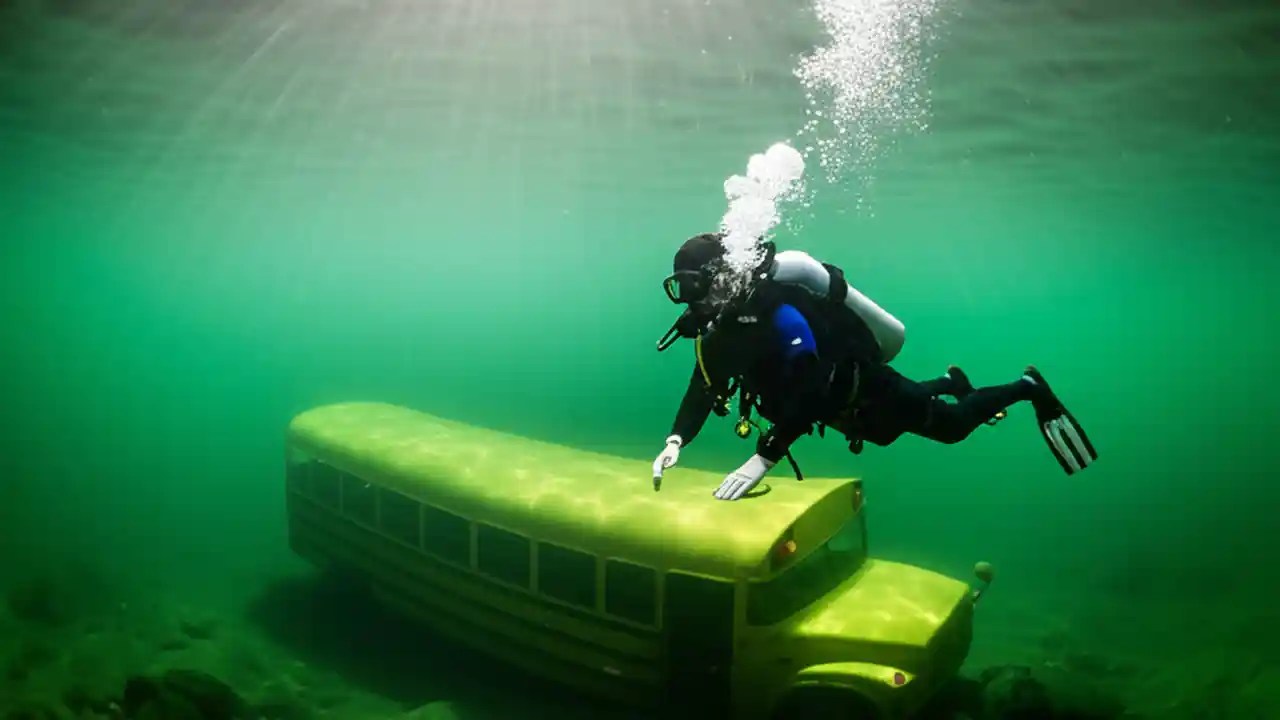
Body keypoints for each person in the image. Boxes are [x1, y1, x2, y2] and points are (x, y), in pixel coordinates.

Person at [651, 232, 1097, 500]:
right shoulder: (720, 334)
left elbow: (813, 386)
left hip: (865, 391)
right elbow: (703, 389)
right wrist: (676, 441)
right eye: (681, 289)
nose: (690, 300)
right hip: (840, 411)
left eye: (693, 285)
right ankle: (949, 380)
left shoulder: (780, 309)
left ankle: (1026, 386)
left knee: (953, 427)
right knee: (885, 432)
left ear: (721, 274)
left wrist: (763, 458)